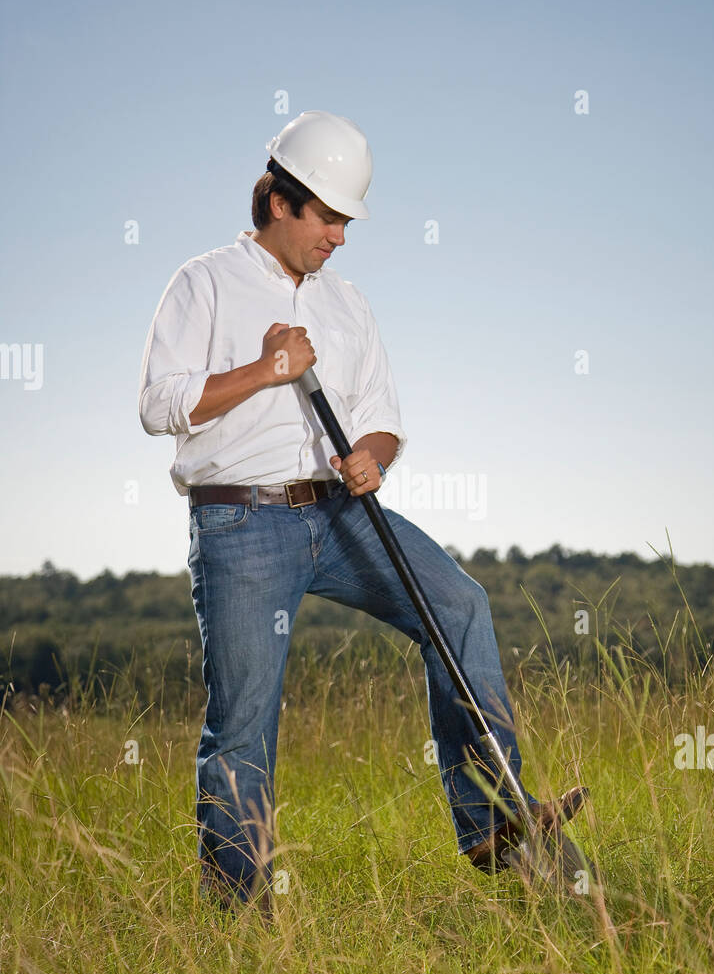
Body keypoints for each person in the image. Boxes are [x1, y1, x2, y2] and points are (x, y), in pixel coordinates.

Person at [138, 109, 585, 914]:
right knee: (243, 725)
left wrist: (373, 454)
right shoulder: (201, 282)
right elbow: (159, 405)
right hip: (241, 525)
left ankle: (492, 824)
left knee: (458, 604)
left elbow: (381, 415)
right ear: (281, 201)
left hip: (342, 515)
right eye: (331, 216)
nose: (341, 235)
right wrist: (269, 368)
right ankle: (237, 917)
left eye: (347, 219)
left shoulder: (348, 304)